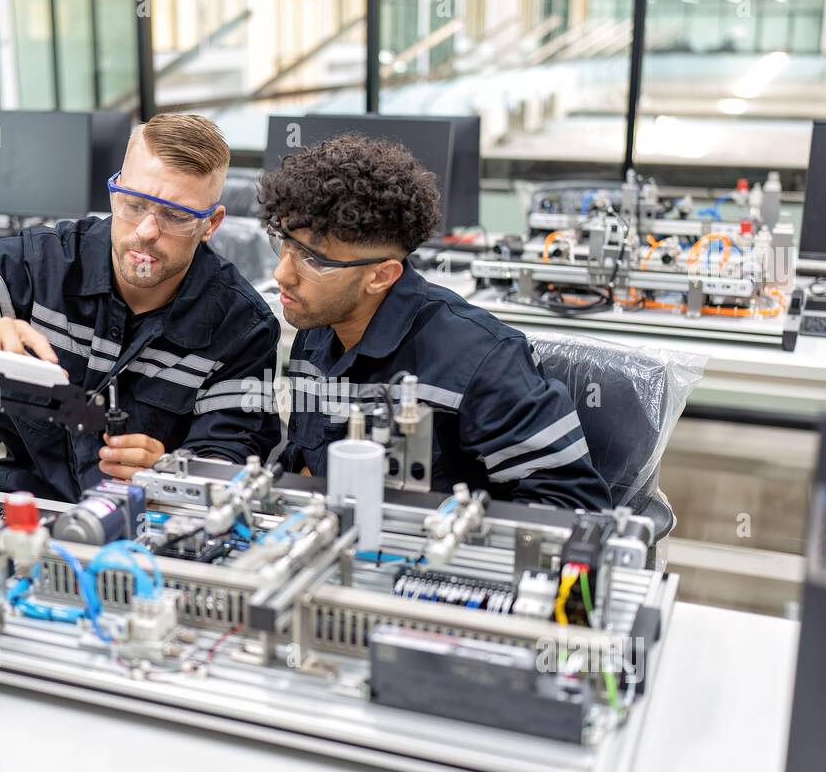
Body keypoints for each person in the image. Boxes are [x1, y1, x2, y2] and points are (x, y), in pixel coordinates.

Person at [0, 113, 280, 501]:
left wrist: (170, 472)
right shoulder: (42, 264)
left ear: (210, 224)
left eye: (175, 215)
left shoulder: (242, 325)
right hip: (25, 514)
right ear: (113, 190)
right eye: (134, 204)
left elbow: (232, 461)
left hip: (152, 528)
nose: (148, 231)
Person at [259, 133, 611, 510]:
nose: (283, 273)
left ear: (381, 276)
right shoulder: (316, 330)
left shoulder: (482, 360)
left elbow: (575, 508)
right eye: (285, 243)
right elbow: (309, 460)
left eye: (312, 259)